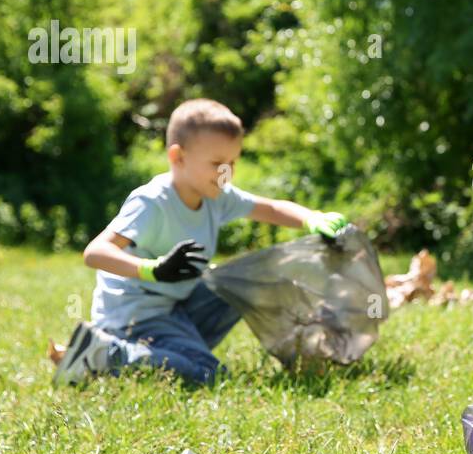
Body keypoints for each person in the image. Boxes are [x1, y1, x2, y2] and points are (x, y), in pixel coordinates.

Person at [50, 98, 349, 385]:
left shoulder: (215, 196)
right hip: (137, 319)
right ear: (178, 157)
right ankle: (109, 353)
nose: (226, 174)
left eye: (233, 162)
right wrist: (153, 269)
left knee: (243, 277)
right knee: (207, 372)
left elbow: (269, 208)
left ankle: (308, 351)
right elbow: (95, 253)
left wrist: (312, 218)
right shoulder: (152, 202)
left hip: (178, 307)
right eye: (218, 163)